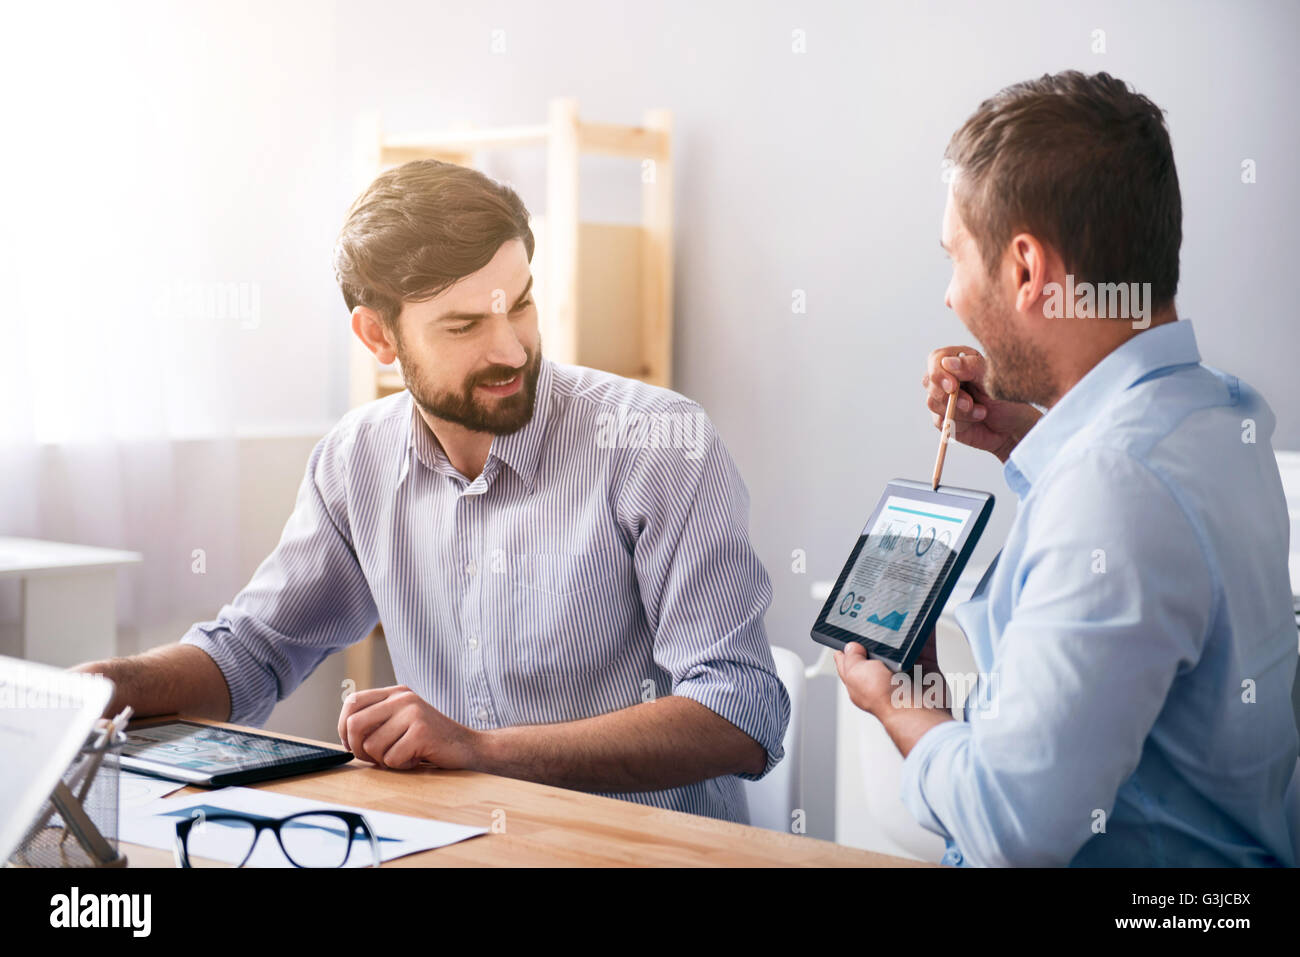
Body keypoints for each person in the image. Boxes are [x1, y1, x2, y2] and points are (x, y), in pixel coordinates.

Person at [73, 159, 789, 824]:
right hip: (458, 845)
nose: (510, 348)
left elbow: (742, 712)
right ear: (378, 337)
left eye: (522, 305)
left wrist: (482, 749)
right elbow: (250, 654)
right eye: (465, 325)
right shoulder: (357, 460)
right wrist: (96, 688)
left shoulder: (656, 443)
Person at [834, 70, 1297, 865]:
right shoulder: (1226, 415)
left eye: (955, 259)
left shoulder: (1113, 487)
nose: (950, 296)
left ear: (1024, 269)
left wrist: (906, 708)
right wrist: (1028, 439)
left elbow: (1014, 825)